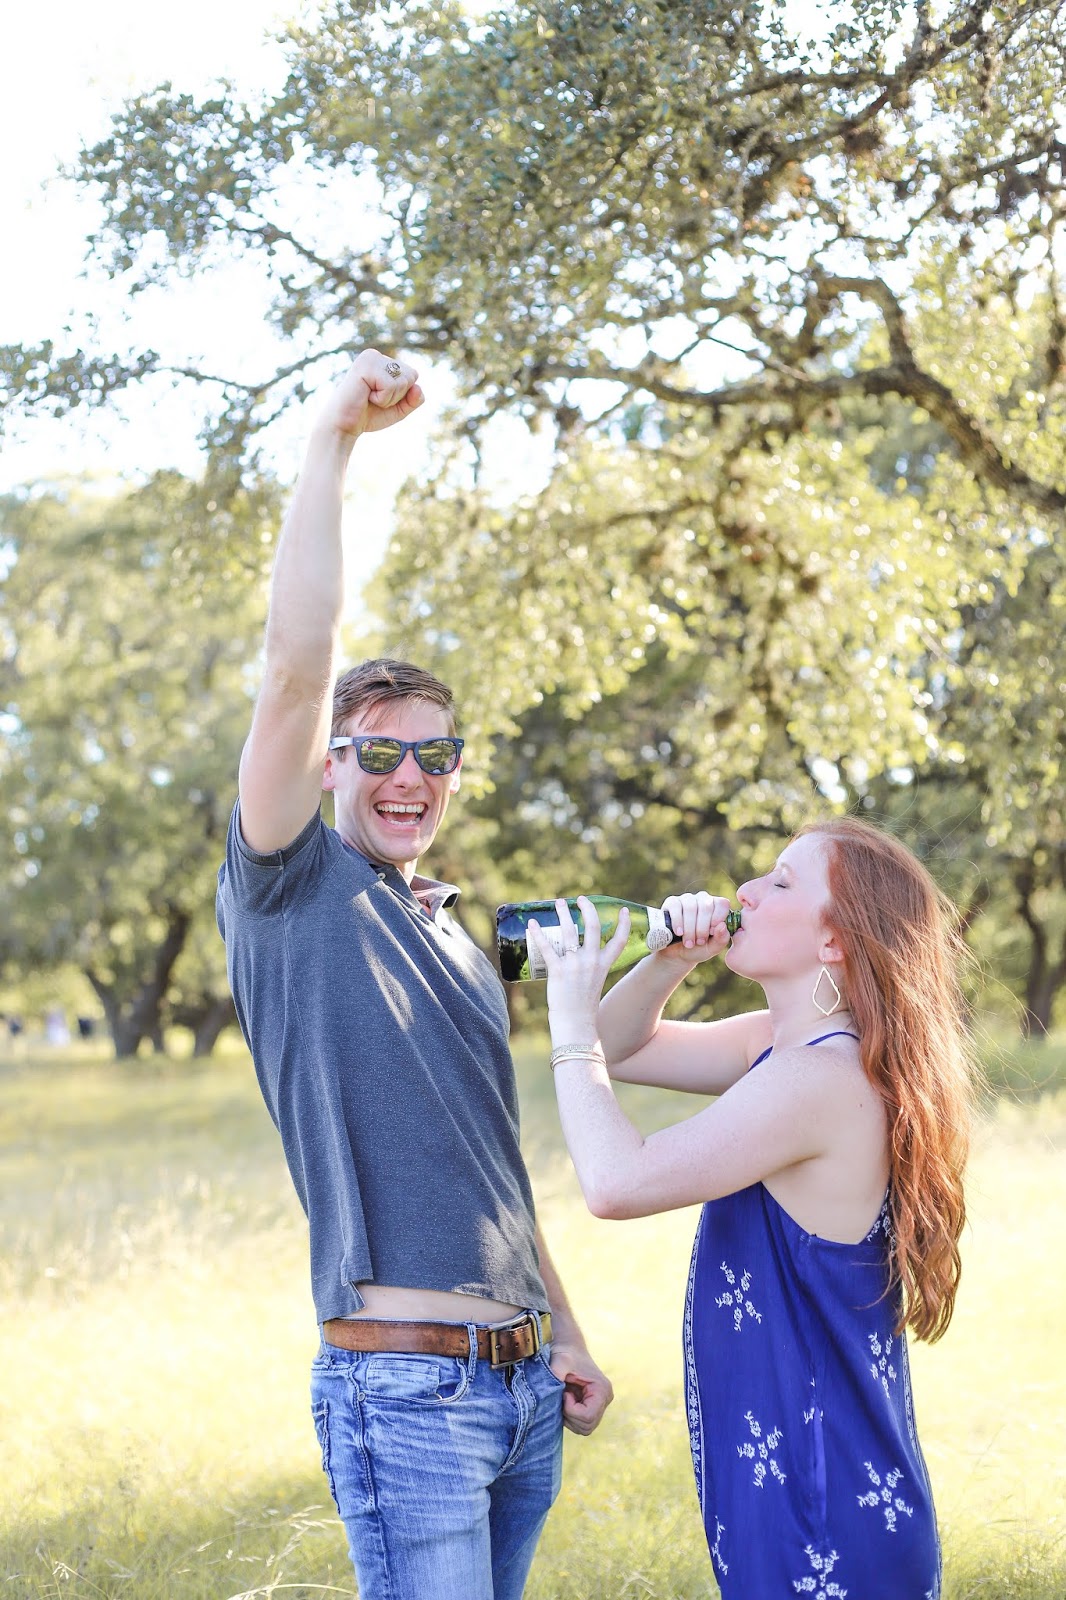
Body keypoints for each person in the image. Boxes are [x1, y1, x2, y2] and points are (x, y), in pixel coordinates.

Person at [215, 348, 612, 1600]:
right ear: (330, 765)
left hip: (521, 1381)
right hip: (405, 1387)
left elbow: (488, 1167)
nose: (409, 776)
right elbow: (294, 663)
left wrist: (567, 1333)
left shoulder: (452, 932)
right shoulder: (290, 885)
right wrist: (334, 437)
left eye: (436, 754)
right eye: (379, 750)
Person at [527, 817, 975, 1599]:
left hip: (822, 1502)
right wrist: (670, 958)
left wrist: (564, 1023)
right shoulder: (782, 1045)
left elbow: (615, 1182)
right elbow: (617, 1046)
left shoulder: (819, 1081)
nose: (745, 892)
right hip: (808, 1481)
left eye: (781, 883)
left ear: (834, 942)